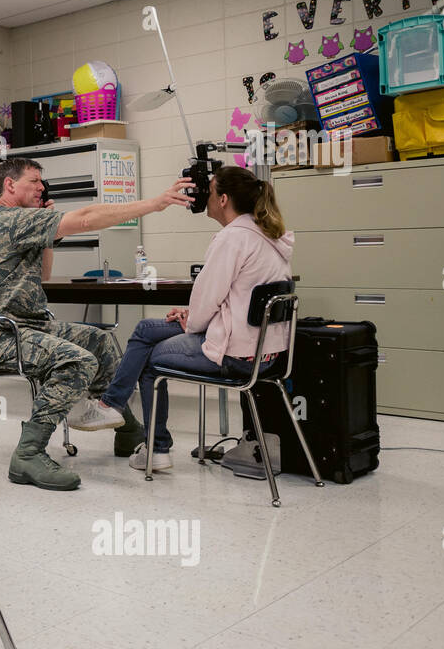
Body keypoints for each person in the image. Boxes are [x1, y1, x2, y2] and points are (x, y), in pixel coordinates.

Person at [0, 157, 193, 491]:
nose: (41, 187)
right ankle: (28, 454)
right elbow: (88, 218)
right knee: (77, 360)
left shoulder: (20, 221)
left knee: (99, 341)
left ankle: (127, 428)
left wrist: (47, 227)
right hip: (1, 335)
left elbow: (44, 275)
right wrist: (155, 203)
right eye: (34, 181)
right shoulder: (8, 219)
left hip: (30, 326)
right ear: (9, 185)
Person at [90, 166, 293, 471]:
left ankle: (154, 448)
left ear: (223, 199)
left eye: (209, 192)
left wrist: (192, 320)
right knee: (146, 329)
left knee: (147, 360)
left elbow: (206, 299)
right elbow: (228, 299)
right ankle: (111, 405)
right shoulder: (269, 236)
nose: (204, 198)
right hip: (267, 353)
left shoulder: (232, 238)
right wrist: (193, 317)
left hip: (238, 354)